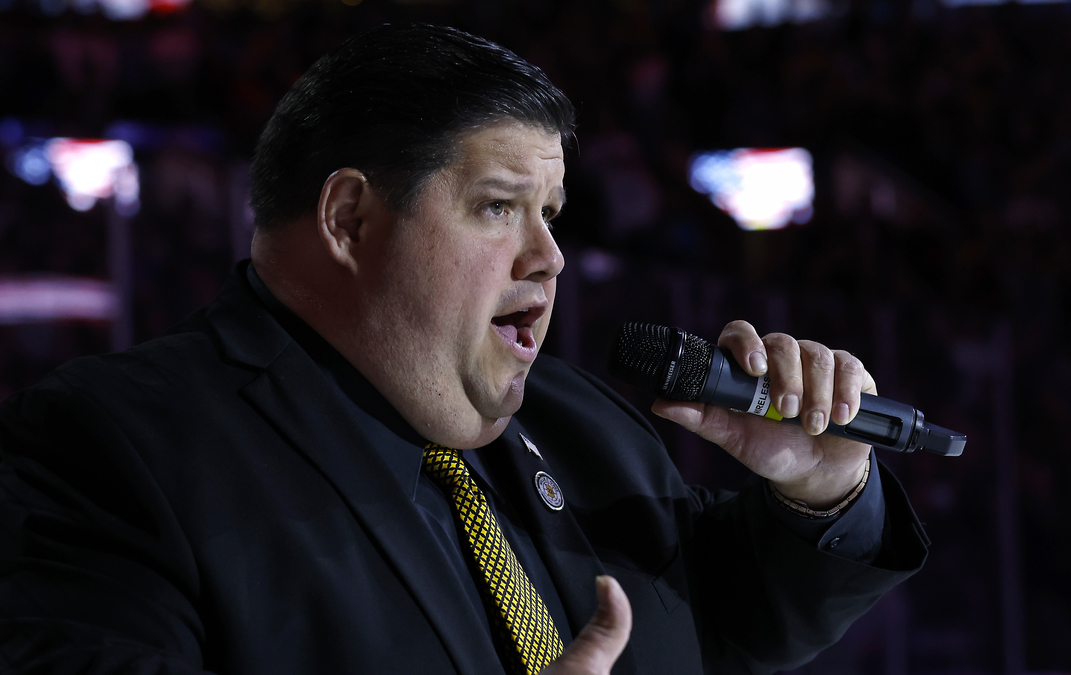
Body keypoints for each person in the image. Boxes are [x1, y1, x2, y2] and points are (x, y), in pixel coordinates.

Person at [0, 24, 928, 675]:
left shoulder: (579, 422)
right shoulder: (113, 447)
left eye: (551, 215)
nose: (550, 256)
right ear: (350, 218)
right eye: (497, 208)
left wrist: (821, 492)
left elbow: (731, 621)